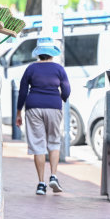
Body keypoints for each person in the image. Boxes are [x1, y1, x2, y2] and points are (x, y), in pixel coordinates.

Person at [15, 37, 71, 196]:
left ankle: (41, 184)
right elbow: (66, 90)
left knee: (38, 145)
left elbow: (22, 92)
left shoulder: (31, 69)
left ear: (38, 54)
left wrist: (19, 112)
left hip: (33, 107)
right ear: (52, 53)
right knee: (54, 141)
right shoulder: (59, 69)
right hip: (54, 106)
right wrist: (61, 98)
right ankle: (53, 175)